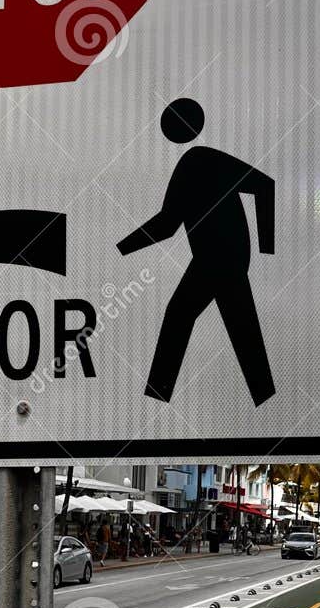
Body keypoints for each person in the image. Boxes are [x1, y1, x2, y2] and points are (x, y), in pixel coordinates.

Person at [118, 98, 276, 405]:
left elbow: (265, 185)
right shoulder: (189, 166)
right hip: (212, 259)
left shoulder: (201, 160)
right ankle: (266, 398)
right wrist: (122, 247)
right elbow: (167, 224)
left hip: (221, 258)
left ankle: (156, 397)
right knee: (239, 327)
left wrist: (266, 250)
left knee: (181, 315)